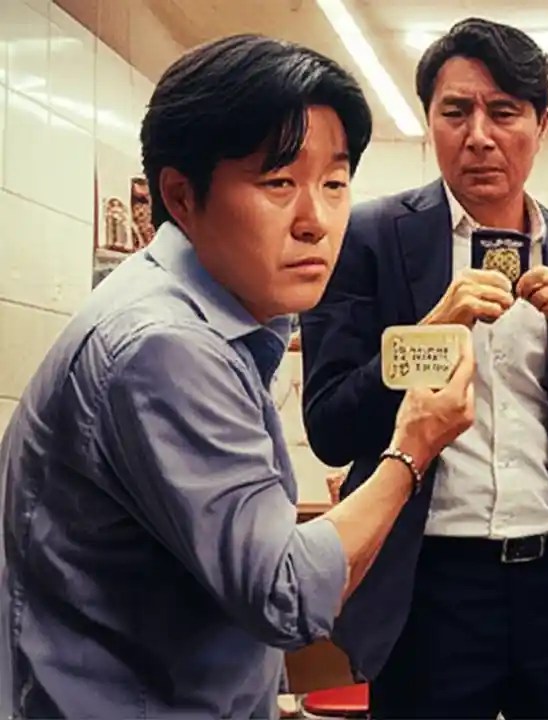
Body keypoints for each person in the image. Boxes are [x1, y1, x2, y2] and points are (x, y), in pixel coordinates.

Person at [0, 34, 476, 718]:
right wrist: (413, 447)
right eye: (278, 183)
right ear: (180, 196)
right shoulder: (166, 346)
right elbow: (286, 595)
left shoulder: (211, 316)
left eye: (334, 183)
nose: (317, 220)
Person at [300, 18, 548, 719]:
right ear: (430, 122)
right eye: (456, 111)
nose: (479, 134)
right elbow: (328, 423)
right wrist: (430, 335)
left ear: (541, 125)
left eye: (504, 112)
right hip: (428, 582)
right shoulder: (367, 238)